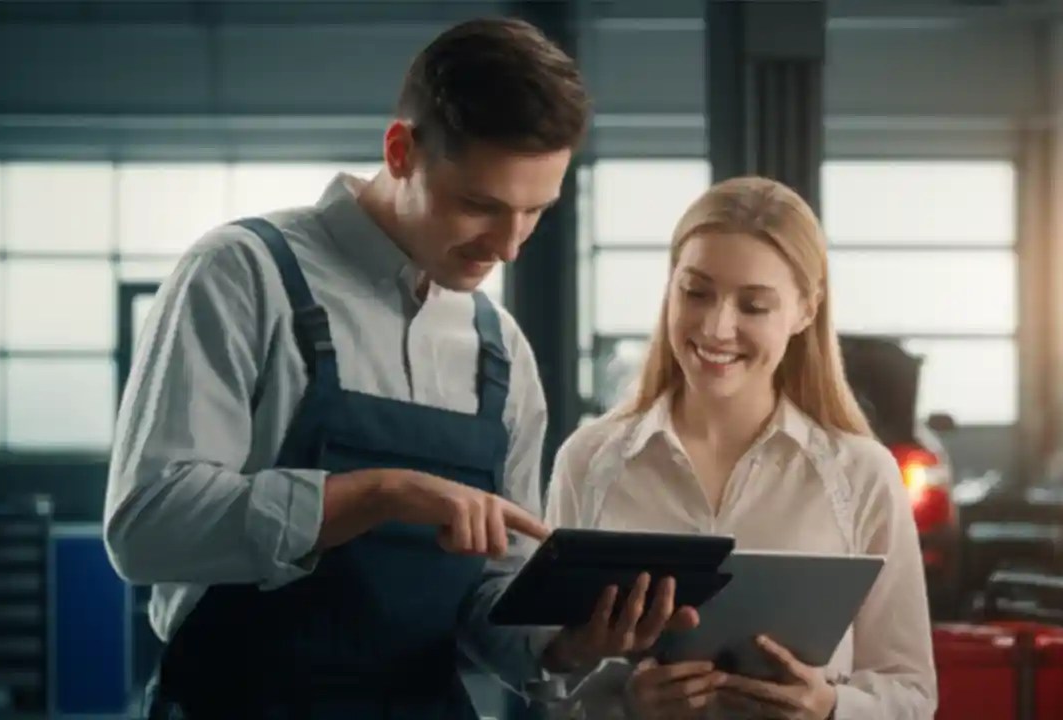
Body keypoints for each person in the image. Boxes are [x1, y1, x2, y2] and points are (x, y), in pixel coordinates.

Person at [105, 17, 692, 719]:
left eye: (535, 211)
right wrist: (376, 494)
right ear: (400, 149)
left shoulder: (499, 348)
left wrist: (564, 647)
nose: (508, 248)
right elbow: (145, 529)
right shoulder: (241, 275)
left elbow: (488, 600)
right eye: (481, 206)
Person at [545, 176, 939, 719]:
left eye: (754, 306)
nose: (716, 327)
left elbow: (913, 695)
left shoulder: (861, 475)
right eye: (695, 292)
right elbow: (543, 683)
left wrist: (829, 709)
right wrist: (625, 704)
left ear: (805, 311)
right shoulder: (589, 462)